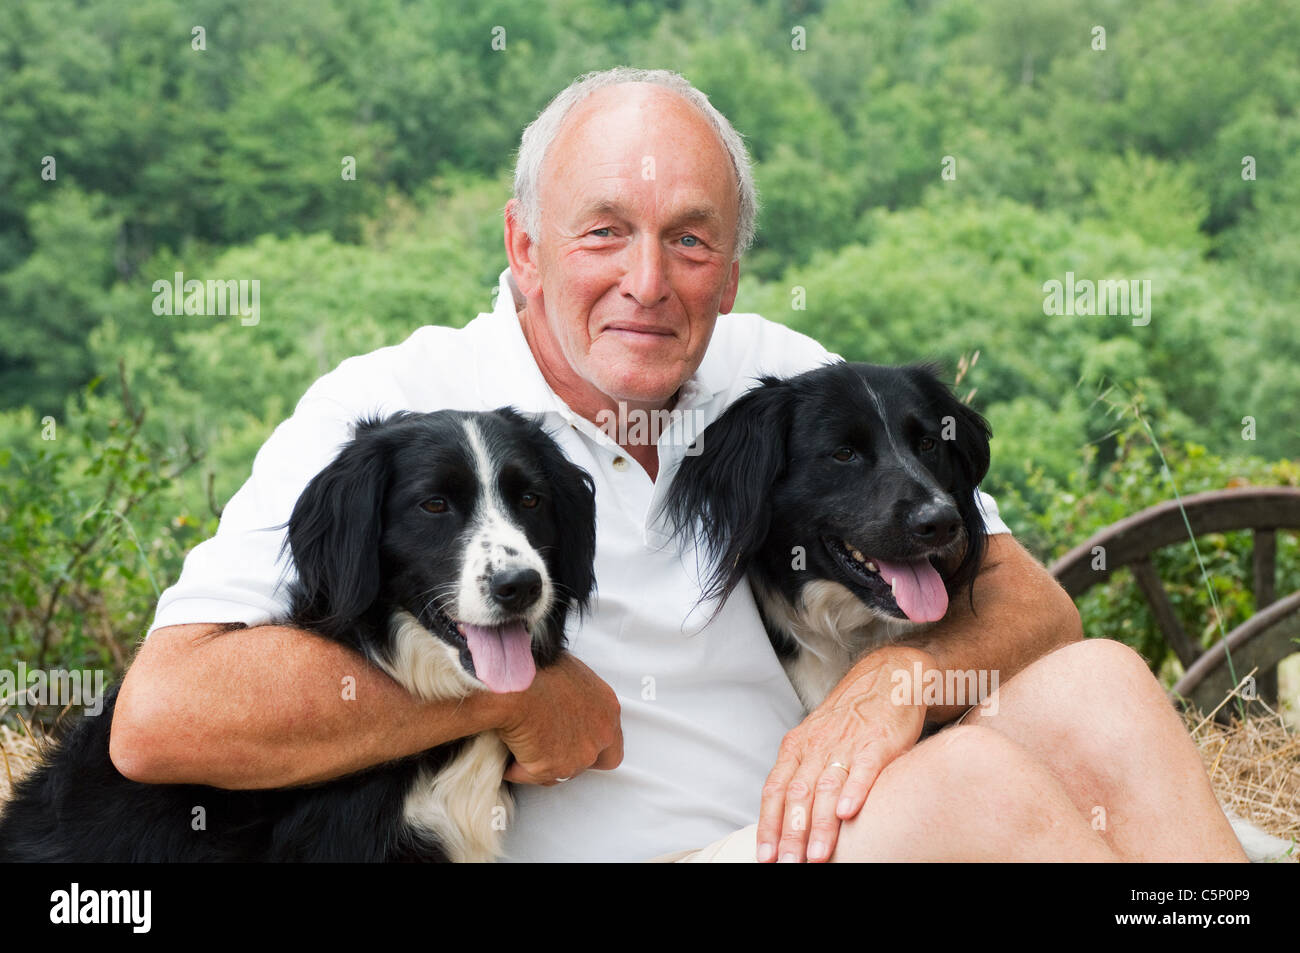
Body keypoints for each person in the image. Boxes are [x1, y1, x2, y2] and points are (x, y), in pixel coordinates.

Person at [111, 67, 1247, 862]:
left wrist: (891, 684)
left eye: (690, 238)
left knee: (1101, 682)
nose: (648, 281)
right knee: (975, 787)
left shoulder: (779, 378)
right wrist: (523, 688)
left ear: (734, 268)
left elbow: (1033, 605)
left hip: (804, 826)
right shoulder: (391, 406)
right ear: (523, 245)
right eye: (603, 230)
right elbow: (165, 717)